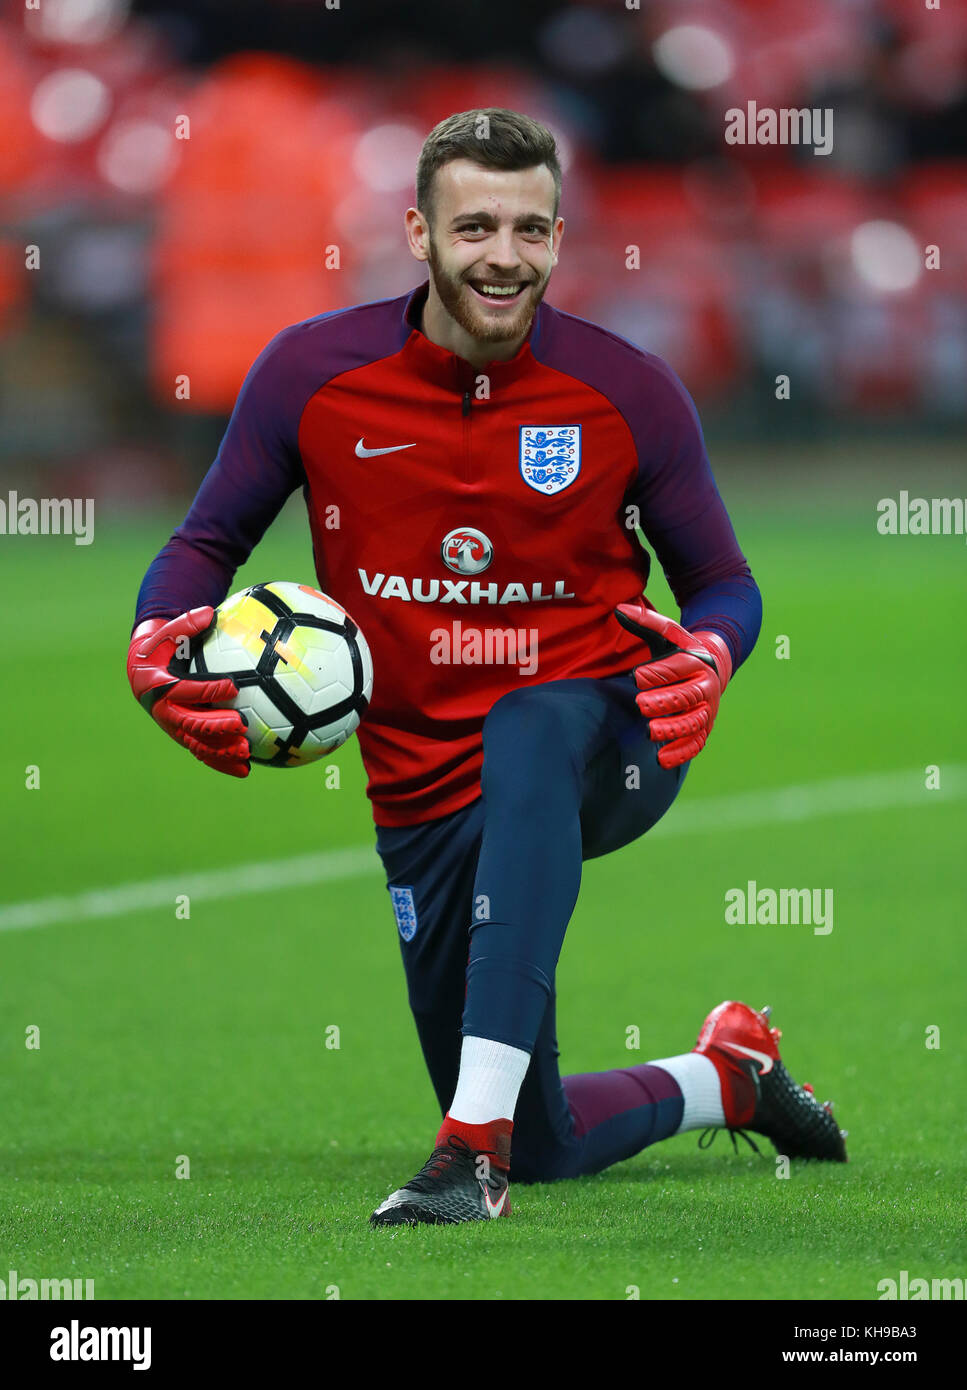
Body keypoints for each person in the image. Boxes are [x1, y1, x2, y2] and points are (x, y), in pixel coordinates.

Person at [127, 108, 845, 1227]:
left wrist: (712, 650)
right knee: (548, 1134)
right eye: (473, 227)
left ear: (559, 237)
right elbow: (201, 547)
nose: (503, 256)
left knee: (527, 726)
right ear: (418, 232)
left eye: (530, 229)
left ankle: (469, 1155)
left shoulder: (630, 391)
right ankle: (727, 1078)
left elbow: (723, 582)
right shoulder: (311, 375)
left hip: (601, 740)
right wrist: (153, 646)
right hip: (419, 787)